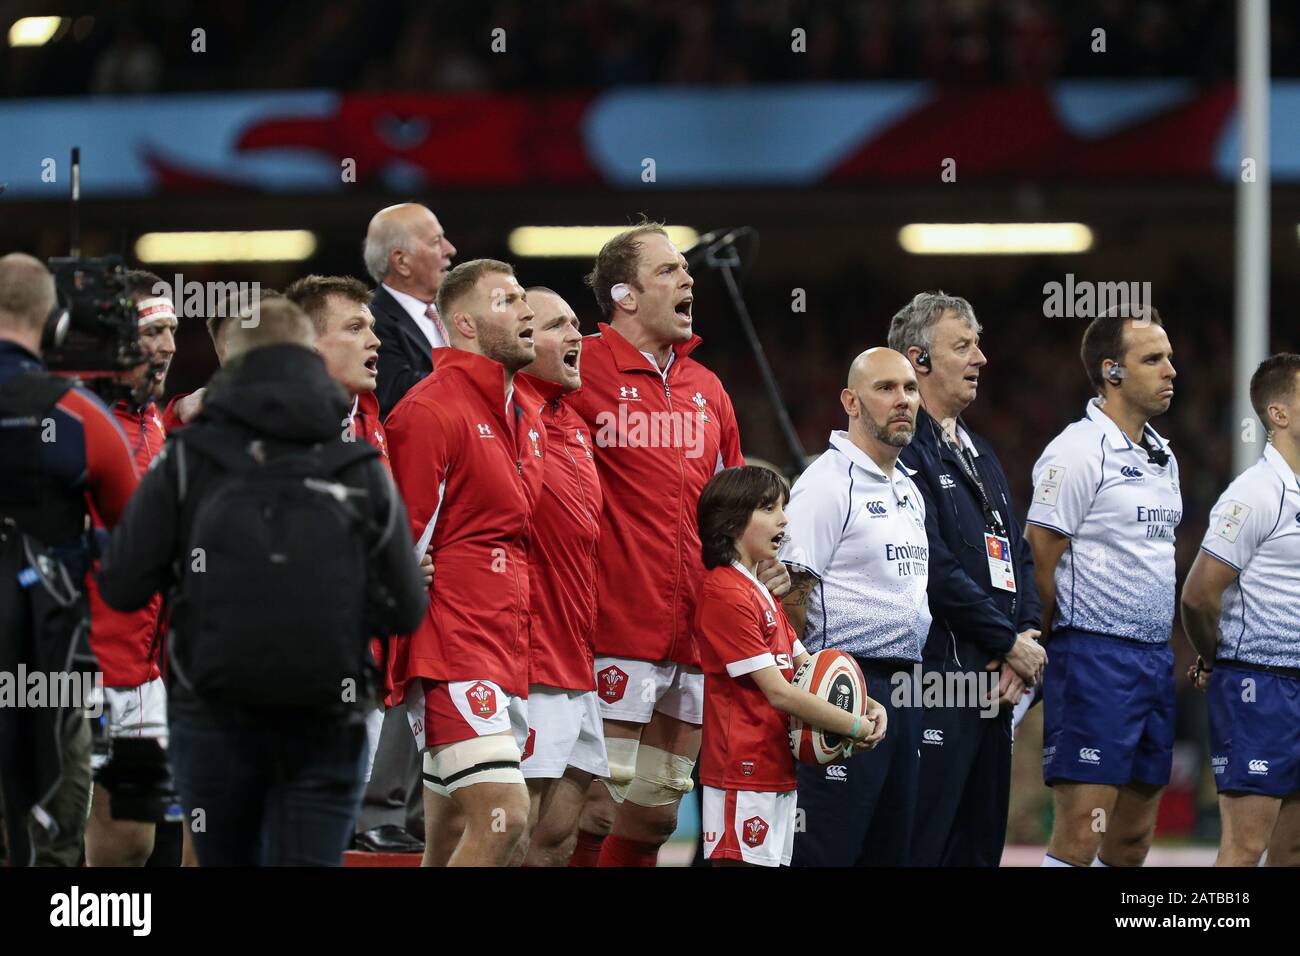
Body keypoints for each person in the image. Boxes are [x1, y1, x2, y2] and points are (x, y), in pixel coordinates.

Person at [97, 298, 426, 866]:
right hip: (327, 713)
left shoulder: (184, 458)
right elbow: (405, 608)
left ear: (231, 364)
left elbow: (123, 586)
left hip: (215, 715)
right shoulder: (355, 463)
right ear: (306, 356)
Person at [566, 222, 781, 868]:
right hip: (611, 629)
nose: (689, 280)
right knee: (591, 811)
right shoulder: (577, 368)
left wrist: (758, 570)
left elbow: (736, 508)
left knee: (657, 812)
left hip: (692, 633)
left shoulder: (707, 389)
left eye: (686, 271)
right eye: (669, 271)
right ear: (625, 295)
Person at [384, 258, 544, 867]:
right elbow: (403, 543)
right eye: (507, 301)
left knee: (453, 839)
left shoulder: (522, 413)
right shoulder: (429, 411)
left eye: (524, 297)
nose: (526, 311)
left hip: (506, 641)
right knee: (505, 818)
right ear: (465, 325)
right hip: (454, 646)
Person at [887, 291, 1046, 867]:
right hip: (935, 682)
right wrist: (1006, 643)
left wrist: (1024, 637)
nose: (980, 357)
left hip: (993, 686)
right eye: (963, 346)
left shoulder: (980, 450)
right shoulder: (904, 452)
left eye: (977, 344)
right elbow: (931, 567)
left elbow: (1018, 556)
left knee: (980, 849)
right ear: (918, 359)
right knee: (927, 846)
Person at [1025, 306, 1180, 868]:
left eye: (1168, 357)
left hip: (1152, 663)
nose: (1171, 370)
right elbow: (1039, 552)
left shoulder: (1161, 455)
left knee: (1133, 841)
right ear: (1111, 371)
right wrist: (1040, 643)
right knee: (1080, 834)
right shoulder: (1077, 451)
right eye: (1153, 359)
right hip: (1092, 656)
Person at [285, 273, 432, 855]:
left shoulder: (371, 422)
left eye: (373, 327)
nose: (374, 341)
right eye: (354, 328)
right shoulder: (274, 429)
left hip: (365, 668)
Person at [0, 252, 139, 866]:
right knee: (52, 842)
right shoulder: (80, 416)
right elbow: (139, 548)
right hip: (49, 666)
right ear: (54, 323)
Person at [778, 347, 930, 866]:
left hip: (906, 686)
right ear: (851, 401)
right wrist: (810, 682)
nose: (903, 400)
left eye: (910, 389)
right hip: (842, 683)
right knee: (828, 849)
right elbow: (791, 597)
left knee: (890, 850)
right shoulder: (824, 484)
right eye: (886, 388)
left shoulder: (909, 489)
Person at [696, 465, 885, 867]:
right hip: (741, 771)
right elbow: (779, 691)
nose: (784, 519)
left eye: (783, 507)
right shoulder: (725, 592)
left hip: (775, 767)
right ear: (731, 522)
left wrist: (867, 706)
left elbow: (806, 664)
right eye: (768, 508)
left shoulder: (759, 591)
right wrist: (851, 726)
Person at [1181, 353, 1300, 866]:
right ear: (1279, 414)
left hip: (1294, 683)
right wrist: (1215, 660)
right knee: (1245, 847)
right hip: (1260, 687)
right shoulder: (1255, 494)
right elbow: (1198, 595)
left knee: (1292, 850)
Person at [83, 270, 179, 867]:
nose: (169, 345)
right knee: (58, 832)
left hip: (144, 675)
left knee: (132, 840)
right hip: (79, 666)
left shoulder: (157, 422)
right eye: (154, 331)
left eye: (173, 329)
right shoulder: (72, 424)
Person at [511, 288, 609, 866]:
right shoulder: (507, 413)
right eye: (557, 326)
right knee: (514, 829)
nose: (577, 336)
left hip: (578, 653)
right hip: (532, 656)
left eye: (577, 322)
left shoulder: (570, 420)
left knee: (563, 835)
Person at [363, 203, 458, 416]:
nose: (450, 249)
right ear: (402, 261)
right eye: (436, 242)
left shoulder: (456, 314)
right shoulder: (370, 321)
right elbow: (395, 389)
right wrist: (476, 373)